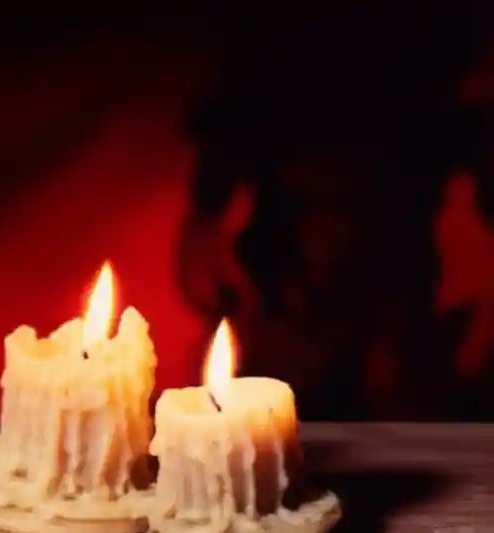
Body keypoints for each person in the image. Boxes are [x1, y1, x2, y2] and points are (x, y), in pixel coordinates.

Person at [179, 6, 493, 418]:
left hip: (391, 250)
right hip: (287, 259)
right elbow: (240, 96)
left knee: (401, 390)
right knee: (272, 397)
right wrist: (205, 213)